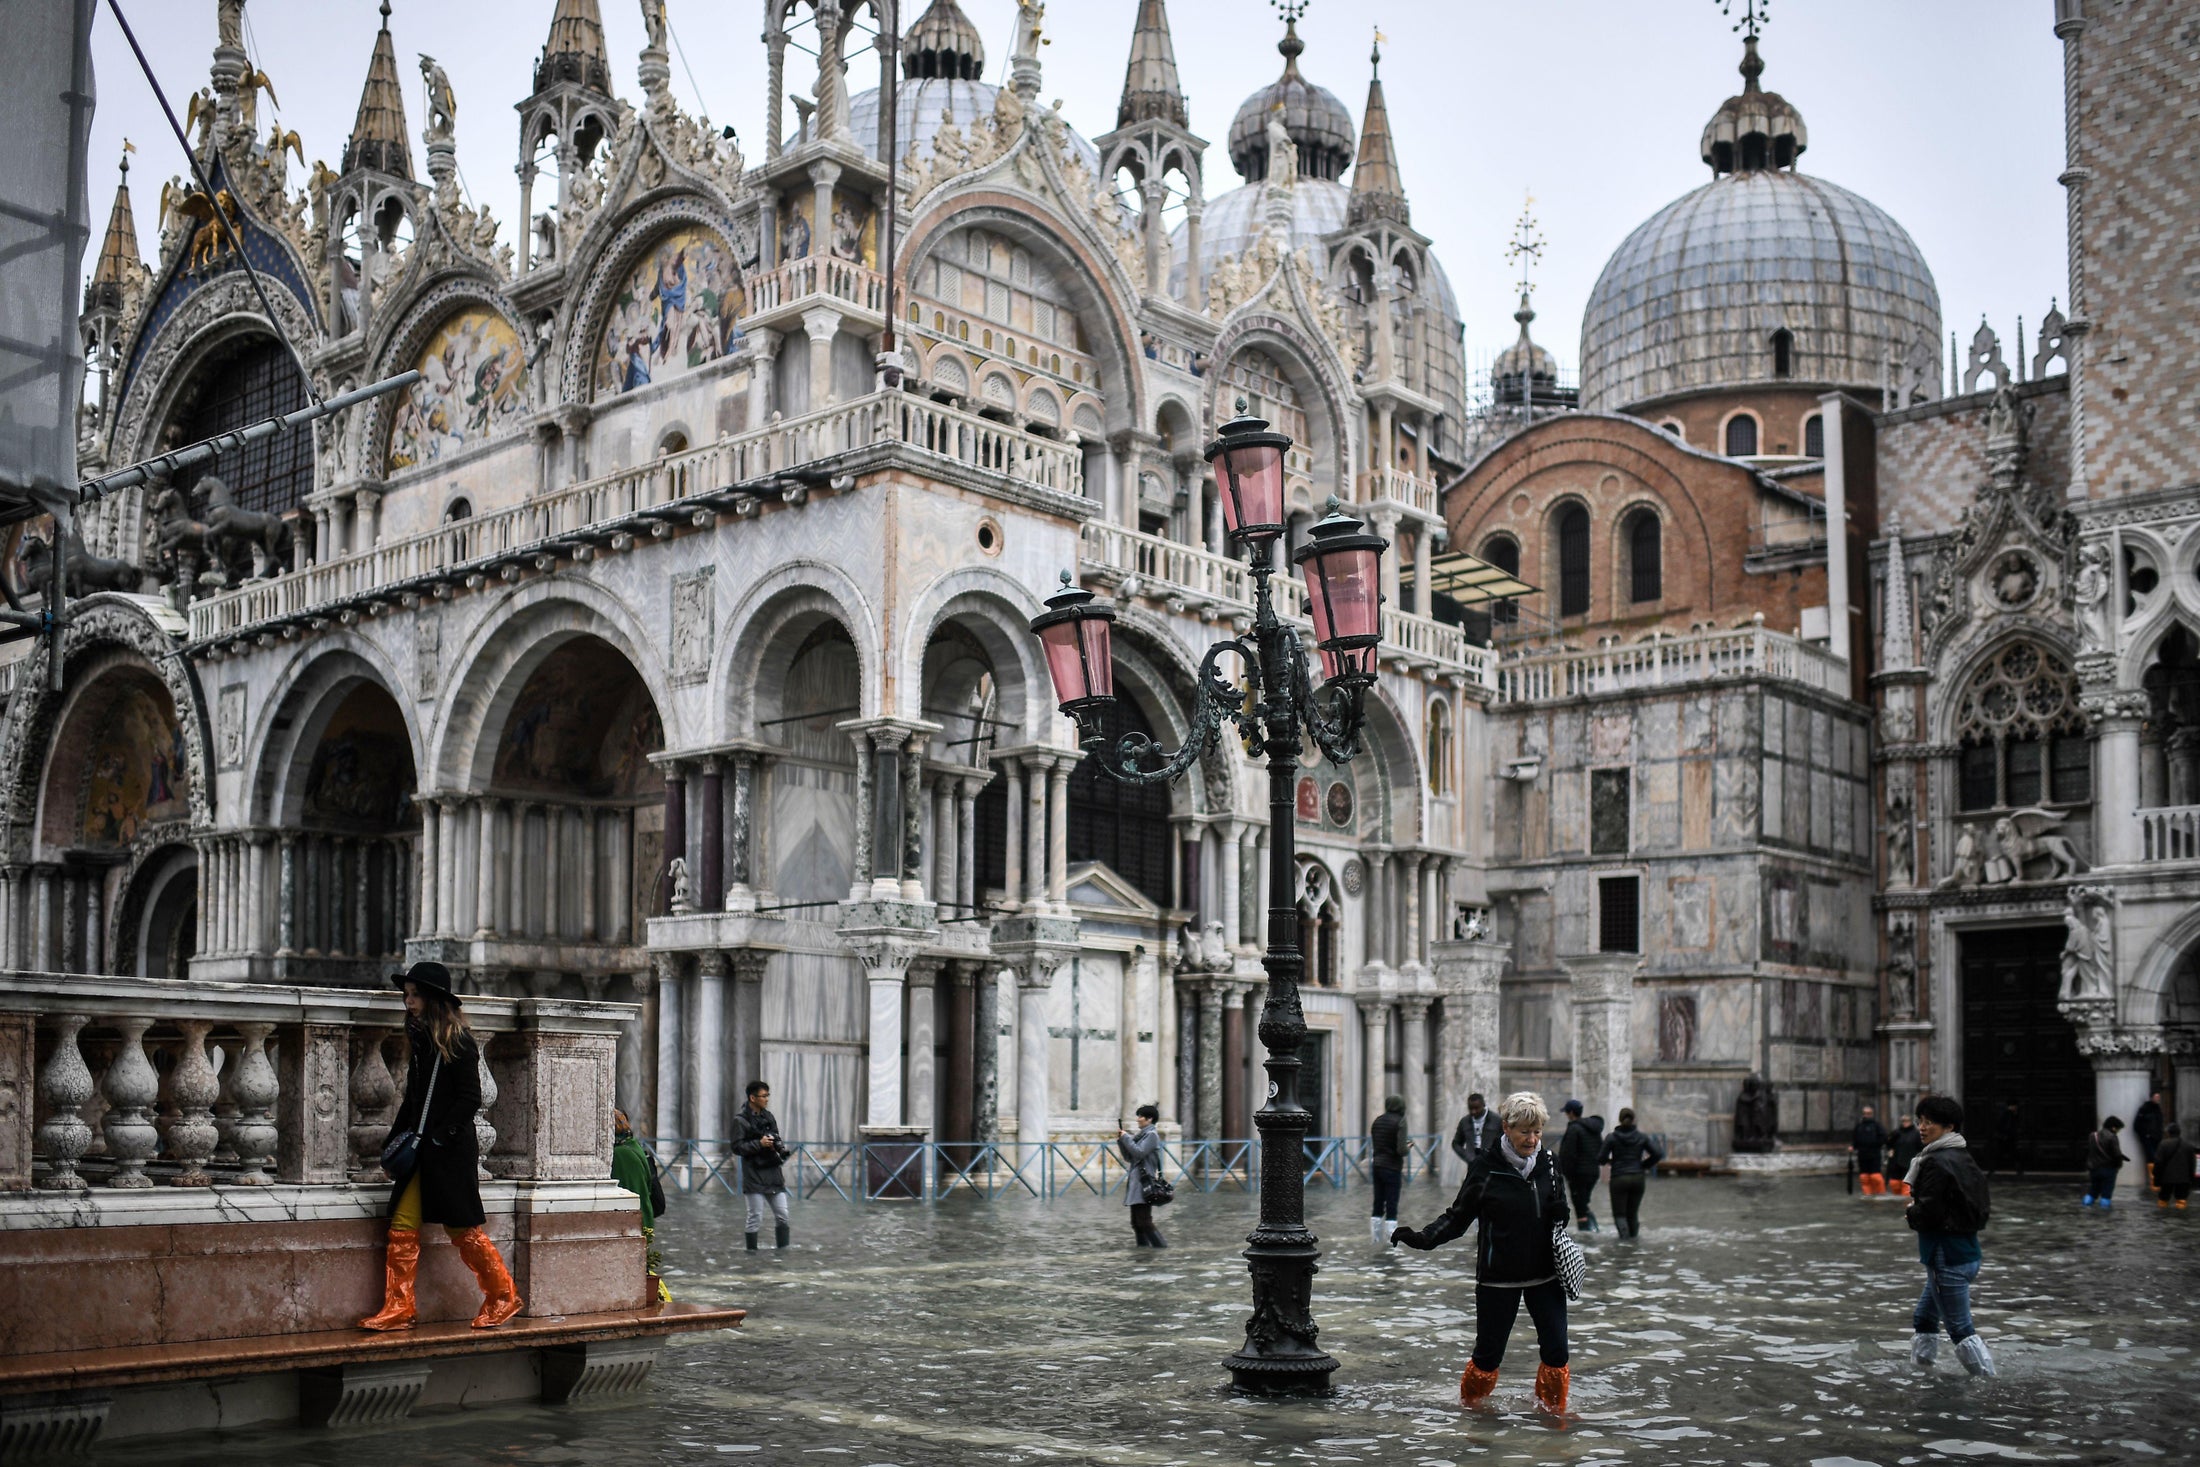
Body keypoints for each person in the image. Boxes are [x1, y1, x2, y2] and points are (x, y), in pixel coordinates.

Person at [360, 962, 524, 1331]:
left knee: (462, 1228)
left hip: (447, 1153)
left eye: (415, 995)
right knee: (402, 1223)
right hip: (422, 1152)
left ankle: (502, 1296)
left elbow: (471, 1098)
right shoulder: (420, 1041)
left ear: (433, 999)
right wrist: (393, 1143)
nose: (409, 1002)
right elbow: (411, 1101)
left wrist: (440, 1136)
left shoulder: (458, 1041)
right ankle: (399, 1307)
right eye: (406, 995)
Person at [1392, 1091, 1573, 1416]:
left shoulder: (1549, 1162)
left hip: (1546, 1276)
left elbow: (1558, 1206)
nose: (1532, 1139)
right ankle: (1471, 1412)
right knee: (1488, 1356)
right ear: (1506, 1127)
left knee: (1557, 1353)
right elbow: (1458, 1217)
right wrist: (1421, 1238)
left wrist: (1563, 1212)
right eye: (1524, 1132)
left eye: (1538, 1131)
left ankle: (1553, 1416)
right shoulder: (1485, 1169)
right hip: (1497, 1279)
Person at [1904, 1094, 1995, 1376]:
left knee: (1959, 1328)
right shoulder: (1962, 1157)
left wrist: (1911, 1212)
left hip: (1946, 1256)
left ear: (1949, 1127)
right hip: (1965, 1253)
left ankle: (1989, 1381)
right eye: (1920, 1121)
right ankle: (1922, 1371)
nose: (1922, 1127)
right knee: (1924, 1317)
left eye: (1929, 1122)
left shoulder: (1935, 1161)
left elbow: (1929, 1212)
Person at [611, 1109, 671, 1302]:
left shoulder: (622, 1155)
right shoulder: (630, 1147)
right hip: (640, 1228)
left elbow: (630, 1196)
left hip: (632, 1230)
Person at [732, 1080, 793, 1249]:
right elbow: (737, 1147)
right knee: (755, 1217)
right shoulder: (740, 1120)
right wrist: (759, 1144)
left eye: (768, 1095)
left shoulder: (769, 1116)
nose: (766, 1099)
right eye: (763, 1096)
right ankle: (751, 1253)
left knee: (783, 1215)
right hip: (754, 1175)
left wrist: (778, 1146)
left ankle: (783, 1250)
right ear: (752, 1097)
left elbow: (776, 1137)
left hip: (773, 1172)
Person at [1598, 1107, 1663, 1238]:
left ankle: (1624, 1244)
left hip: (1619, 1178)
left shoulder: (1612, 1138)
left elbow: (1600, 1158)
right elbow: (1658, 1153)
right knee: (1632, 1214)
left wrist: (1611, 1161)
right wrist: (1643, 1165)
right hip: (1638, 1177)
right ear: (1633, 1120)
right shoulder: (1642, 1137)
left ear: (1620, 1120)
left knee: (1620, 1214)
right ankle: (1633, 1243)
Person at [1118, 1103, 1167, 1248]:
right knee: (1136, 1222)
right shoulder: (1142, 1135)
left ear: (1149, 1119)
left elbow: (1139, 1152)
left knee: (1144, 1221)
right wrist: (1122, 1140)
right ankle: (1143, 1252)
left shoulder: (1152, 1136)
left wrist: (1126, 1138)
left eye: (1141, 1116)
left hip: (1144, 1183)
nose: (1138, 1119)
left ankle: (1161, 1249)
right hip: (1136, 1183)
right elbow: (1130, 1156)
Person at [1556, 1100, 1605, 1231]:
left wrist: (1565, 1173)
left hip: (1578, 1174)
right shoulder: (1594, 1128)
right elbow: (1600, 1148)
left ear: (1571, 1113)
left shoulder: (1573, 1128)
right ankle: (1593, 1228)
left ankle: (1586, 1233)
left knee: (1579, 1204)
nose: (1566, 1114)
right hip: (1593, 1172)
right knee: (1583, 1202)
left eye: (1566, 1112)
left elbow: (1568, 1154)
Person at [1370, 1094, 1407, 1245]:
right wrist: (1408, 1147)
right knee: (1391, 1205)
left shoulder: (1377, 1121)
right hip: (1392, 1167)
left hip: (1377, 1166)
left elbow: (1378, 1144)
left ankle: (1375, 1240)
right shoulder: (1400, 1121)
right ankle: (1392, 1244)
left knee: (1378, 1203)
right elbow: (1401, 1150)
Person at [2082, 1116, 2127, 1208]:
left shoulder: (2092, 1135)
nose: (2118, 1131)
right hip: (2108, 1169)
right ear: (2113, 1127)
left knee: (2093, 1191)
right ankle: (2105, 1214)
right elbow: (2117, 1154)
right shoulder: (2112, 1137)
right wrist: (2119, 1165)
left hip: (2094, 1168)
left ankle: (2085, 1206)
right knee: (2106, 1193)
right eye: (2118, 1129)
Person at [1451, 1092, 1501, 1164]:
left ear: (1483, 1105)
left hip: (1492, 1163)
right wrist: (1467, 1156)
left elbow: (1504, 1140)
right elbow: (1456, 1143)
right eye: (1470, 1108)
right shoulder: (1464, 1121)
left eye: (1476, 1108)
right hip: (1473, 1162)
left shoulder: (1496, 1120)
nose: (1473, 1111)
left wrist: (1495, 1155)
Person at [1851, 1105, 1890, 1197]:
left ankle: (1881, 1194)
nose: (1866, 1115)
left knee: (1875, 1176)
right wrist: (1853, 1146)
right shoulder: (1859, 1126)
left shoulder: (1877, 1126)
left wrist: (1876, 1144)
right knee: (1864, 1177)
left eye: (1868, 1113)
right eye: (1864, 1113)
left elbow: (1884, 1137)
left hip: (1874, 1154)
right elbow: (1855, 1139)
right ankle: (1867, 1194)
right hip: (1862, 1154)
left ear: (1872, 1114)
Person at [2153, 1123, 2193, 1210]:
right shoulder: (2188, 1145)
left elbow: (2158, 1163)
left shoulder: (2163, 1144)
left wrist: (2156, 1180)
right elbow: (2192, 1164)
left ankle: (2162, 1218)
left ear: (2168, 1133)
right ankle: (2181, 1218)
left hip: (2166, 1179)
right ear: (2179, 1132)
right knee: (2181, 1200)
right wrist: (2191, 1179)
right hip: (2183, 1179)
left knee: (2163, 1200)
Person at [1886, 1114, 1923, 1197]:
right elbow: (1888, 1143)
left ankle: (1905, 1199)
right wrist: (1890, 1150)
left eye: (1907, 1121)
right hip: (1896, 1162)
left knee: (1906, 1185)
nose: (1905, 1123)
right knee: (1894, 1183)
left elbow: (1921, 1147)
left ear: (1910, 1122)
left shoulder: (1916, 1133)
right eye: (1903, 1121)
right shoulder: (1896, 1132)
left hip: (1910, 1162)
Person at [2133, 1091, 2165, 1185]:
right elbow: (2137, 1125)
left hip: (2157, 1137)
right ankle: (2154, 1181)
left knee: (2156, 1158)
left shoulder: (2157, 1109)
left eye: (2158, 1097)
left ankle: (2157, 1180)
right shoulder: (2145, 1108)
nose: (2158, 1099)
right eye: (2156, 1097)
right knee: (2151, 1158)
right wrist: (2145, 1135)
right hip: (2148, 1138)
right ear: (2151, 1097)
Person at [1990, 1102, 2023, 1177]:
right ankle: (1992, 1170)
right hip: (2005, 1138)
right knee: (2000, 1154)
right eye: (2014, 1107)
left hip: (2008, 1138)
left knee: (2013, 1154)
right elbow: (2005, 1125)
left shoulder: (2011, 1114)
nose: (2015, 1108)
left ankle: (2018, 1170)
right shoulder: (2006, 1114)